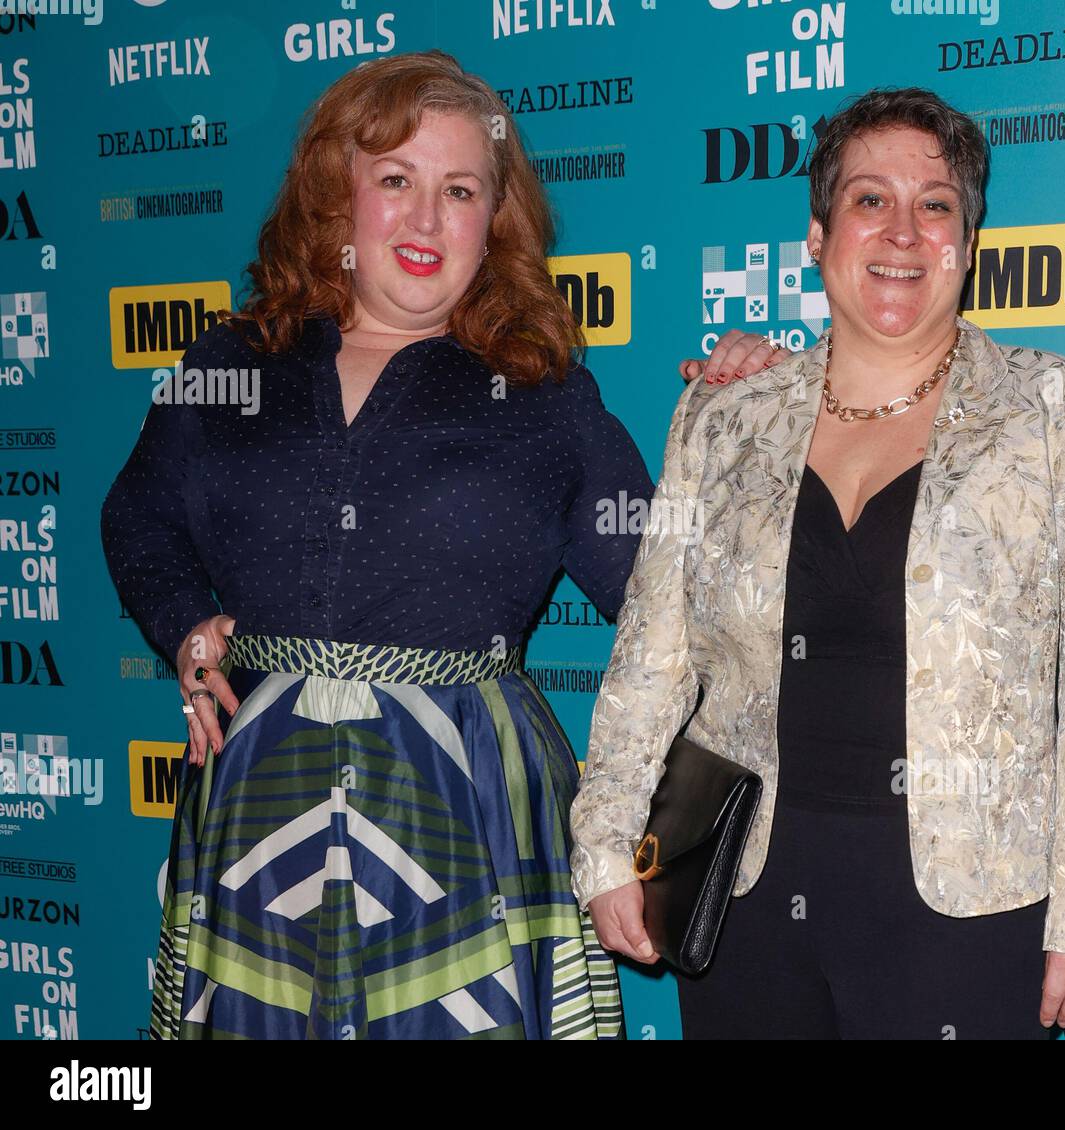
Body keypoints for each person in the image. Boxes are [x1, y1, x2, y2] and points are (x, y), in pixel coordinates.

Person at [570, 87, 1065, 1039]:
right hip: (745, 893)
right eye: (868, 199)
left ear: (966, 242)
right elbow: (652, 655)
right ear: (817, 234)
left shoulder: (1060, 413)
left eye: (935, 204)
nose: (902, 229)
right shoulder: (722, 417)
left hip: (969, 908)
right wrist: (604, 845)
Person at [103, 49, 660, 1041]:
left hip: (468, 802)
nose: (425, 217)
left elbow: (667, 600)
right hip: (257, 800)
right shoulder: (234, 361)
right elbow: (138, 515)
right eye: (395, 180)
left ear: (493, 221)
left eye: (459, 190)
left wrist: (750, 426)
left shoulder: (544, 391)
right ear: (335, 200)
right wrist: (187, 630)